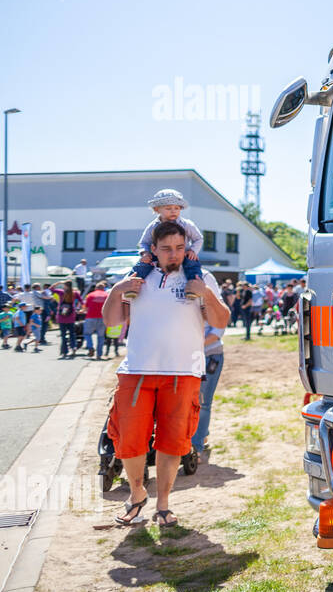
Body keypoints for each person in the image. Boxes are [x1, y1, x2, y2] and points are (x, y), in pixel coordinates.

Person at [102, 220, 230, 527]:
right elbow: (111, 322)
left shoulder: (201, 276)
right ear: (153, 250)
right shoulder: (136, 277)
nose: (173, 254)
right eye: (166, 249)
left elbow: (221, 320)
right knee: (129, 441)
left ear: (186, 248)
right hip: (137, 371)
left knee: (173, 442)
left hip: (183, 372)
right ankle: (136, 494)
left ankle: (163, 503)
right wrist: (118, 289)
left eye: (179, 248)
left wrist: (207, 295)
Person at [125, 189, 205, 302]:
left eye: (176, 208)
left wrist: (193, 250)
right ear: (157, 209)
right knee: (142, 265)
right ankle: (131, 286)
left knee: (192, 265)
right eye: (168, 208)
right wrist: (145, 253)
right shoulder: (153, 226)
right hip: (157, 254)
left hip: (183, 254)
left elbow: (198, 238)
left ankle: (194, 286)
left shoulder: (186, 224)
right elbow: (143, 242)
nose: (173, 211)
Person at [189, 320, 225, 466]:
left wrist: (188, 346)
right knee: (189, 401)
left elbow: (216, 332)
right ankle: (202, 433)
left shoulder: (212, 298)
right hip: (185, 356)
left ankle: (196, 448)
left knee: (202, 402)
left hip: (209, 355)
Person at [82, 281, 109, 359]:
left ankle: (90, 347)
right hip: (103, 318)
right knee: (101, 336)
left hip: (90, 317)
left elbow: (85, 308)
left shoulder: (90, 295)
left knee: (87, 334)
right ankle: (99, 355)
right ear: (104, 288)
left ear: (95, 288)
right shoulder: (107, 295)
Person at [55, 280, 81, 357]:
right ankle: (73, 348)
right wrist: (80, 309)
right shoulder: (75, 293)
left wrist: (58, 282)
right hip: (71, 316)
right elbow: (81, 301)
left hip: (61, 316)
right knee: (72, 334)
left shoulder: (61, 292)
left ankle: (64, 351)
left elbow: (51, 289)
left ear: (65, 285)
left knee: (63, 335)